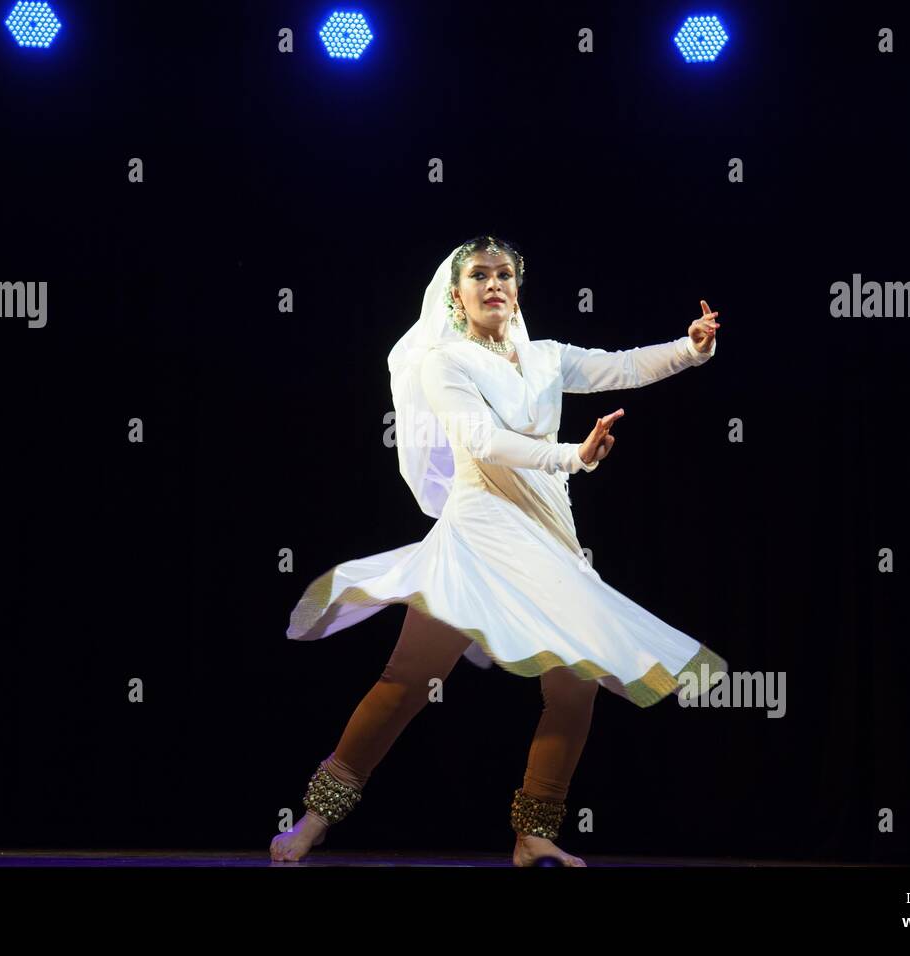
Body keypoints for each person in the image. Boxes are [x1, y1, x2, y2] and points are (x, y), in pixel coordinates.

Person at [272, 236, 726, 866]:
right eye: (479, 275)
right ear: (456, 296)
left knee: (576, 687)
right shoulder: (445, 362)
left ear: (517, 288)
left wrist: (691, 348)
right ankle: (315, 820)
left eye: (504, 274)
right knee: (407, 683)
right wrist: (573, 455)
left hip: (548, 533)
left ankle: (533, 830)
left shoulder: (546, 358)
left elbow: (623, 367)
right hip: (479, 533)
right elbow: (480, 441)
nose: (494, 283)